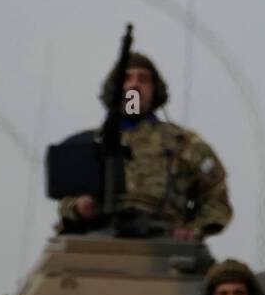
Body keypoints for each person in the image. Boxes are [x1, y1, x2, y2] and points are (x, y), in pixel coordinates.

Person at [55, 51, 232, 240]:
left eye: (143, 79)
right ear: (114, 88)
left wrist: (193, 229)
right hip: (96, 244)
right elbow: (65, 199)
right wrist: (80, 207)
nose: (134, 85)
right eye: (126, 78)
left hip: (163, 245)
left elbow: (216, 196)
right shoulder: (90, 144)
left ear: (155, 89)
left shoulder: (184, 144)